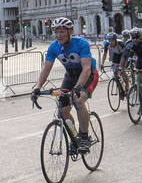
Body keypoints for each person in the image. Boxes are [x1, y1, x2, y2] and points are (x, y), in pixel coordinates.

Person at [29, 18, 98, 149]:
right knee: (63, 110)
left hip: (88, 75)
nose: (59, 35)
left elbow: (86, 69)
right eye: (56, 32)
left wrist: (78, 88)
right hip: (70, 76)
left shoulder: (81, 44)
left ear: (70, 31)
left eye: (62, 31)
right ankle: (74, 136)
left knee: (78, 100)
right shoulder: (54, 47)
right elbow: (46, 69)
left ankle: (84, 137)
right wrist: (37, 87)